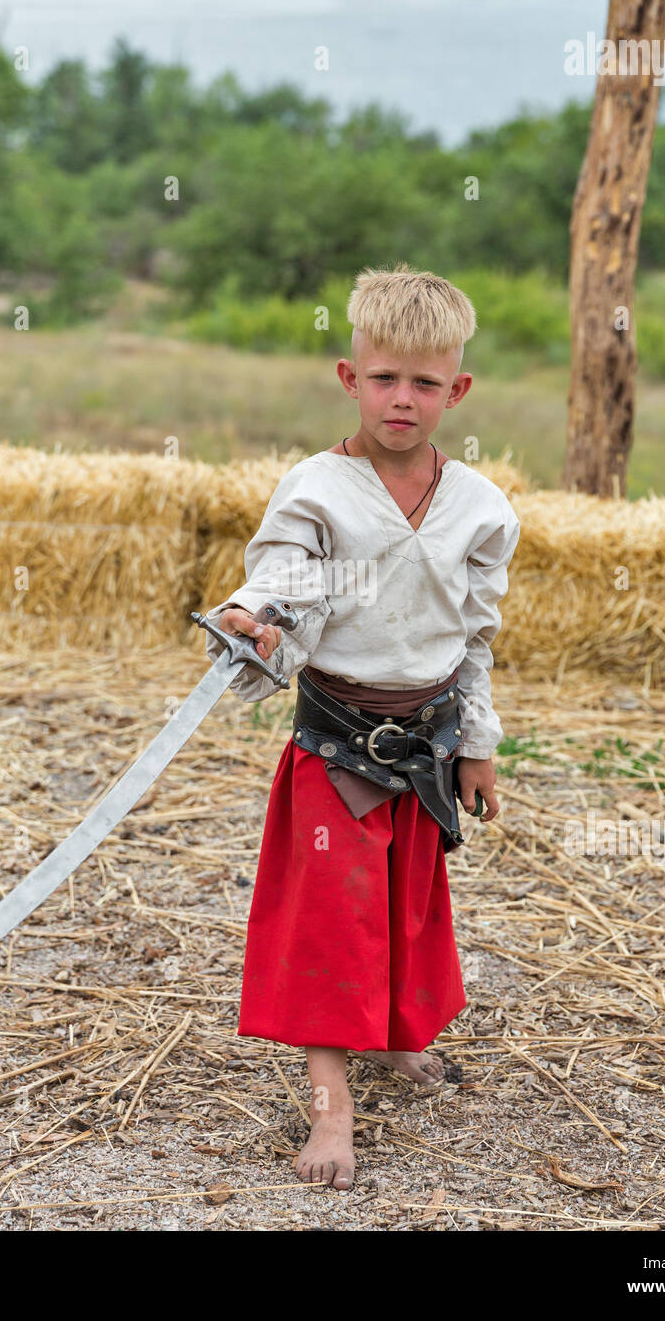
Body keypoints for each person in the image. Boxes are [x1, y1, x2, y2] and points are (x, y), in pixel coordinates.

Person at [202, 263, 521, 1191]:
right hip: (335, 749)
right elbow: (278, 589)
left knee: (404, 914)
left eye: (426, 383)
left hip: (426, 747)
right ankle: (330, 1110)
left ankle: (393, 1041)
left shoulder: (479, 508)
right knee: (332, 929)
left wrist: (479, 740)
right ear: (351, 377)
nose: (403, 399)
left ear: (456, 390)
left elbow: (475, 638)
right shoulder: (318, 491)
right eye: (384, 378)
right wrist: (249, 620)